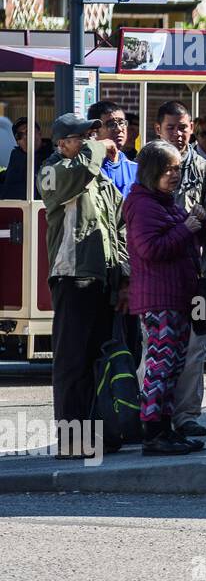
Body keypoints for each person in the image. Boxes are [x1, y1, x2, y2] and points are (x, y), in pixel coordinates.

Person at [42, 113, 130, 458]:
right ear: (62, 143)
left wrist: (123, 278)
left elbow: (119, 229)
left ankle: (103, 432)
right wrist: (101, 144)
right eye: (83, 136)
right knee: (72, 363)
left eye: (93, 132)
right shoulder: (53, 171)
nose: (92, 139)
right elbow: (77, 173)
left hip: (103, 280)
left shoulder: (100, 180)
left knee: (99, 362)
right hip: (72, 278)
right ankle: (72, 439)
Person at [155, 101, 206, 439]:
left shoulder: (205, 172)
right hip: (157, 275)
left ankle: (186, 415)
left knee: (194, 348)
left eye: (184, 127)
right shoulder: (146, 168)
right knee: (156, 349)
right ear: (158, 129)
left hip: (196, 276)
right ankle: (154, 416)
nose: (178, 133)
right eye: (171, 127)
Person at [123, 140, 205, 455]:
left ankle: (166, 429)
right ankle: (154, 433)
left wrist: (196, 224)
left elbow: (182, 240)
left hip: (176, 297)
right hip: (159, 300)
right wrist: (187, 227)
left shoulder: (164, 201)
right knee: (160, 365)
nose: (175, 174)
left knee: (173, 366)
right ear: (152, 171)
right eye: (169, 169)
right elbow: (151, 249)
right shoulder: (143, 204)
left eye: (177, 169)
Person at [89, 99, 138, 199]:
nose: (119, 129)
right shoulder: (85, 166)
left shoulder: (136, 169)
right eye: (111, 124)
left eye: (122, 123)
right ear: (94, 130)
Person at [0, 117, 52, 200]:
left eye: (29, 131)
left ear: (39, 133)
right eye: (19, 135)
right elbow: (8, 181)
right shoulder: (16, 156)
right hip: (12, 209)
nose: (25, 137)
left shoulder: (53, 156)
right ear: (17, 141)